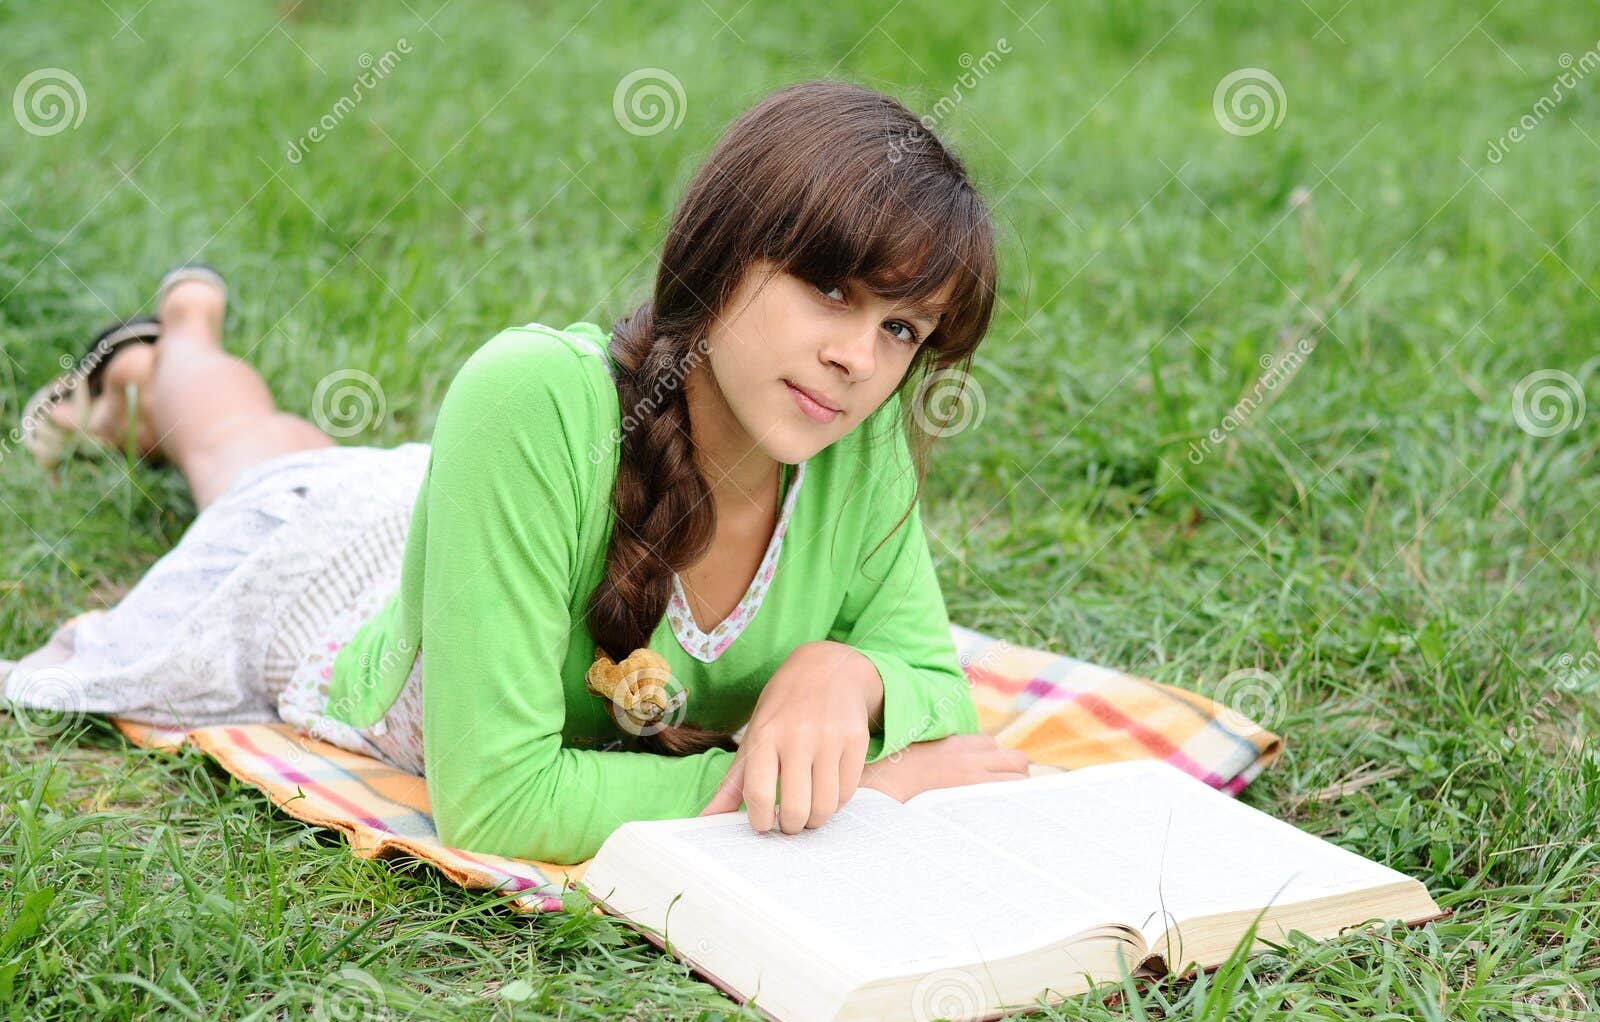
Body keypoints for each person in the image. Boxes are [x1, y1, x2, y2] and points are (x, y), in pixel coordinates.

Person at [2, 79, 1029, 866]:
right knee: (245, 455)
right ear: (722, 254)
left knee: (278, 445)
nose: (859, 356)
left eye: (901, 327)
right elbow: (497, 802)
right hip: (327, 572)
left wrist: (840, 675)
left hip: (479, 523)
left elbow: (933, 682)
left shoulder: (850, 434)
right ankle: (174, 337)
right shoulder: (530, 394)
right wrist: (838, 791)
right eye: (829, 287)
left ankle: (161, 363)